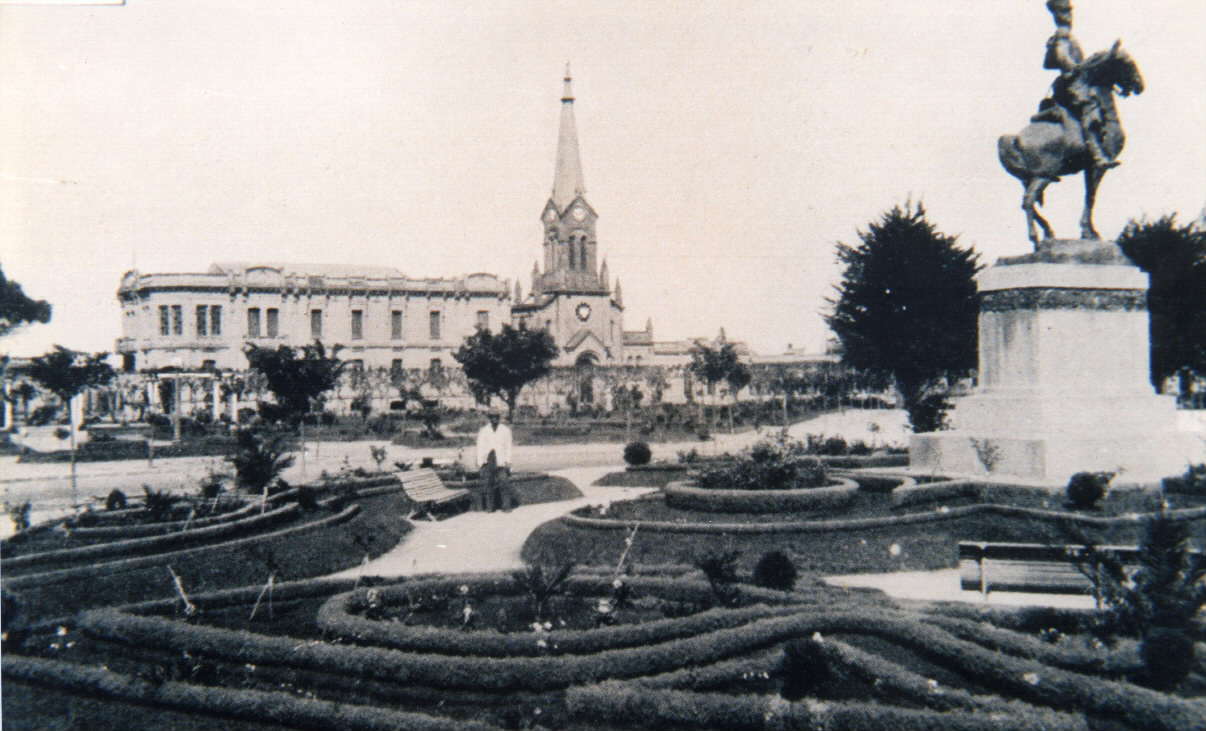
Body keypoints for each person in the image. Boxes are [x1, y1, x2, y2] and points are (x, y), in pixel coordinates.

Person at [1035, 0, 1117, 169]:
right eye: (1065, 12)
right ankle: (1098, 156)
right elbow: (1062, 55)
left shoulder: (1060, 35)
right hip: (1072, 84)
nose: (1069, 16)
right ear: (1058, 14)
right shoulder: (1063, 33)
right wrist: (1072, 66)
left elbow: (1048, 63)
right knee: (1089, 107)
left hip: (1067, 82)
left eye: (1069, 12)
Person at [475, 408, 514, 512]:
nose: (494, 419)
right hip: (488, 461)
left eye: (496, 417)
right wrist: (480, 463)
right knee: (488, 485)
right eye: (492, 417)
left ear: (499, 418)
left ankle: (506, 507)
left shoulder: (505, 431)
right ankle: (489, 507)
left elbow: (508, 447)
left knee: (504, 483)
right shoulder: (484, 431)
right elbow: (480, 447)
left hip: (501, 462)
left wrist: (508, 461)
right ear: (489, 418)